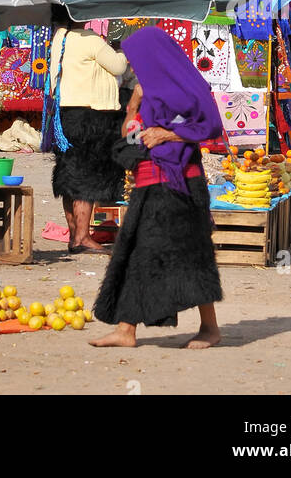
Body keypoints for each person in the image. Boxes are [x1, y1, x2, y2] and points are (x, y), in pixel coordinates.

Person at [91, 27, 223, 349]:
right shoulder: (148, 93)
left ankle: (209, 328)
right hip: (149, 182)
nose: (134, 68)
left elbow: (210, 126)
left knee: (191, 254)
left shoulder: (187, 89)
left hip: (180, 184)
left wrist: (168, 135)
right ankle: (126, 329)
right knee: (138, 252)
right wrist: (133, 109)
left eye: (136, 61)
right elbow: (132, 138)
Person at [49, 9, 129, 254]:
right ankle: (82, 237)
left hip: (65, 116)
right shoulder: (90, 40)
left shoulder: (59, 39)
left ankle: (75, 234)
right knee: (88, 175)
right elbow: (118, 66)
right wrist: (122, 49)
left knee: (69, 174)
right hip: (91, 117)